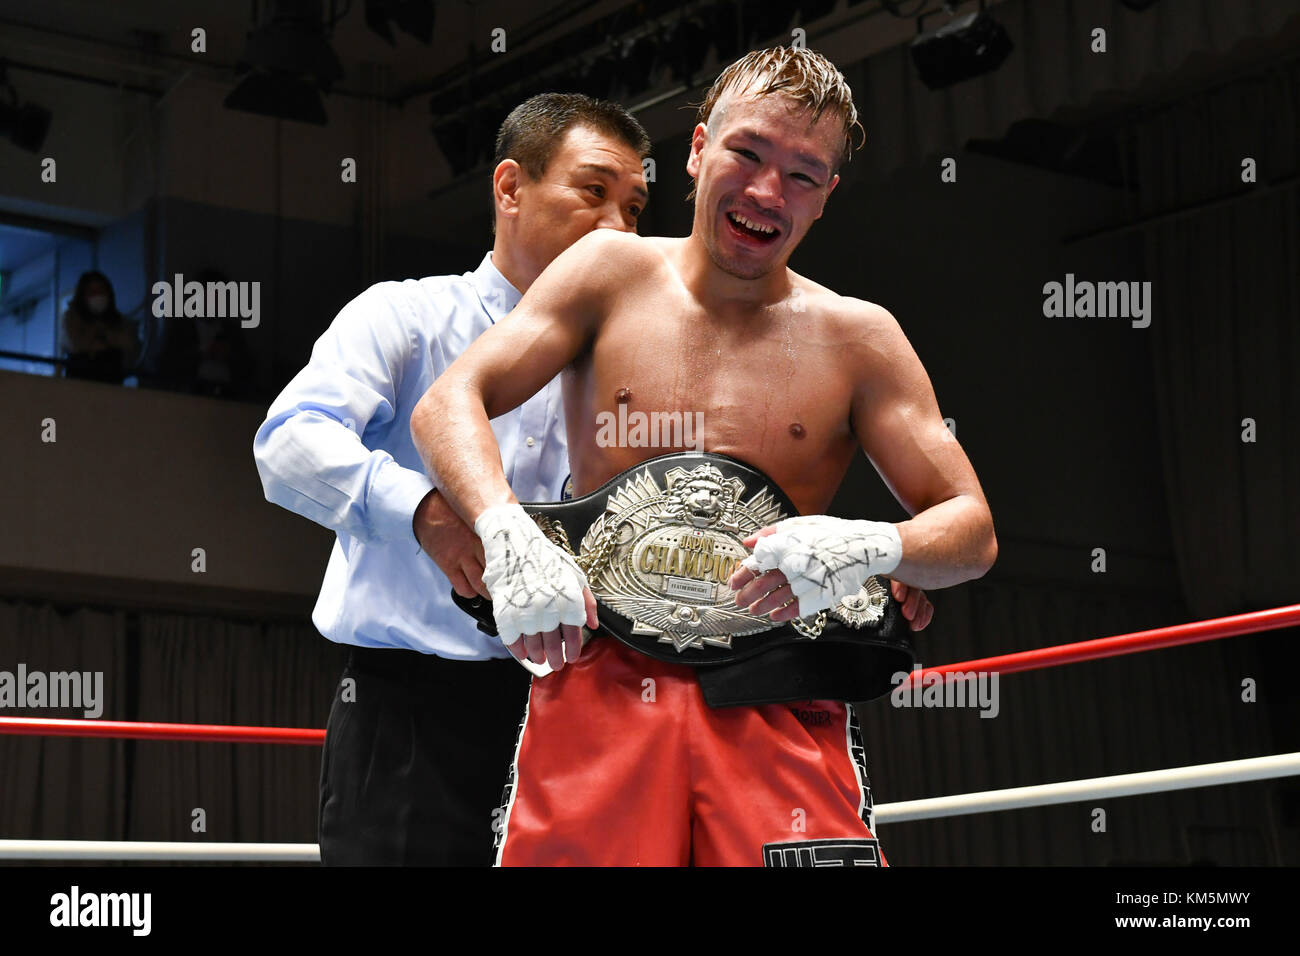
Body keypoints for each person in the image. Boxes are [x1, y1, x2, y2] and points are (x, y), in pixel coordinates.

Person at [411, 46, 989, 867]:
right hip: (600, 674)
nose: (764, 192)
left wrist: (876, 545)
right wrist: (504, 530)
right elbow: (448, 401)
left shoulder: (861, 338)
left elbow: (972, 529)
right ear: (695, 149)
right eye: (747, 153)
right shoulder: (606, 272)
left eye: (801, 173)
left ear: (827, 196)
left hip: (779, 690)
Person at [61, 270, 138, 383]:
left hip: (111, 383)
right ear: (82, 295)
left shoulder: (119, 320)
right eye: (92, 292)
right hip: (79, 383)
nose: (97, 295)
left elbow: (127, 346)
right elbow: (77, 345)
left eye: (101, 291)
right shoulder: (71, 318)